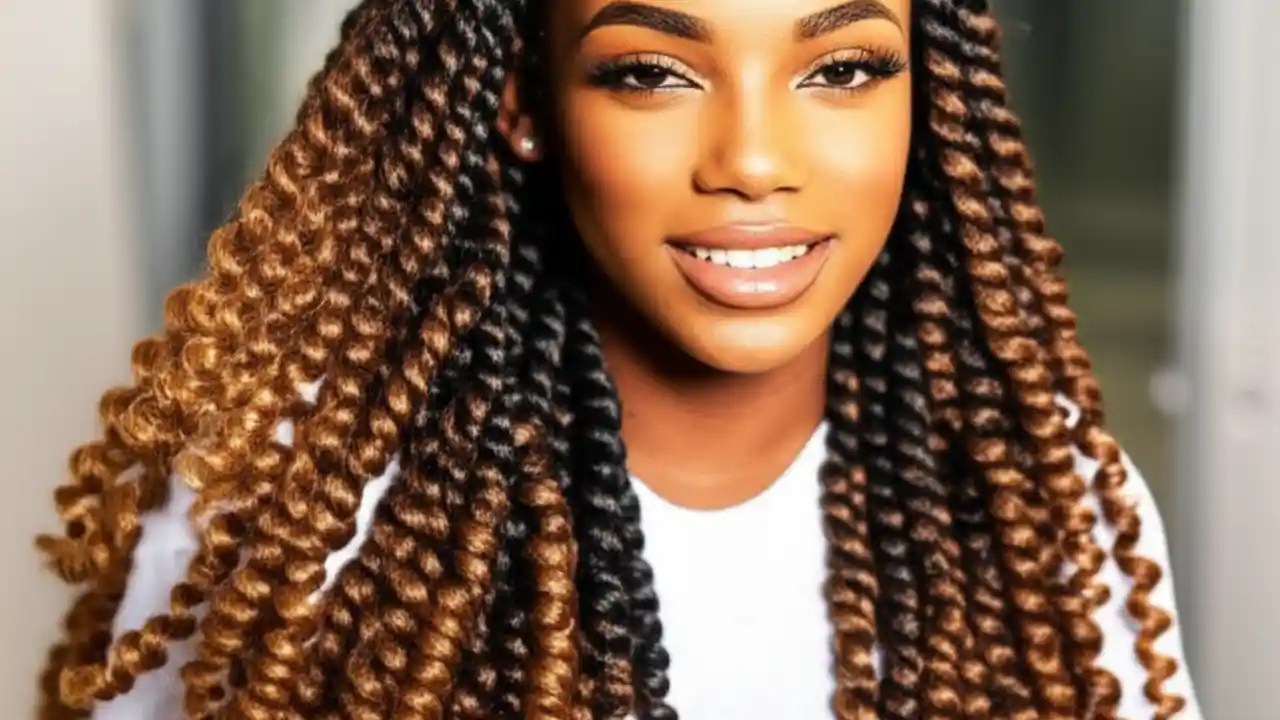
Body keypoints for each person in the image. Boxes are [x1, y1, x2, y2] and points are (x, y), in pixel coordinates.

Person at [36, 0, 1202, 718]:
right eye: (649, 71)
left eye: (842, 68)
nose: (753, 158)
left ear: (926, 97)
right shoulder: (296, 503)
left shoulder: (1050, 505)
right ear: (523, 101)